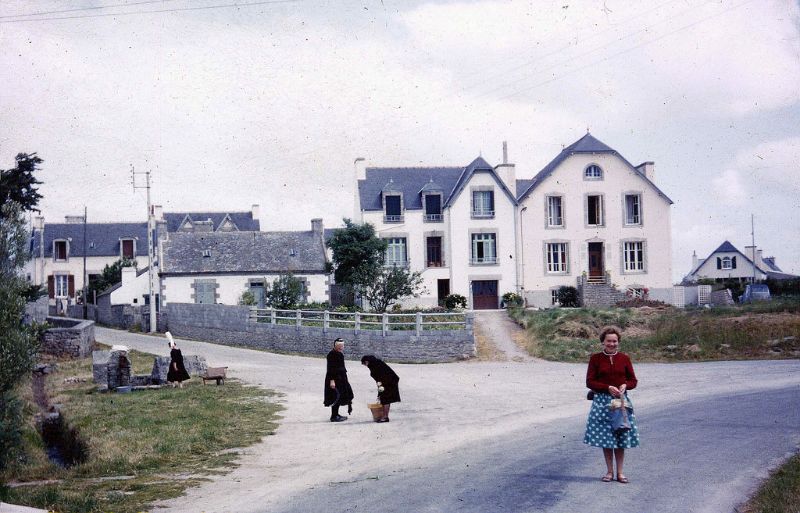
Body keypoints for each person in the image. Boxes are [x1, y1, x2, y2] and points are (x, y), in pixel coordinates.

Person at [584, 326, 640, 484]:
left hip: (621, 403)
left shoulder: (624, 358)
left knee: (621, 435)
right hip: (602, 402)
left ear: (618, 342)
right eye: (609, 341)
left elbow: (633, 381)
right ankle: (609, 472)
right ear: (603, 342)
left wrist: (625, 385)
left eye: (615, 341)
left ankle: (620, 473)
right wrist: (607, 387)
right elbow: (590, 381)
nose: (612, 344)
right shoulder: (595, 359)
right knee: (606, 438)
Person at [360, 355, 400, 423]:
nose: (365, 366)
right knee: (385, 398)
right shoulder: (375, 363)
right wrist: (380, 392)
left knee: (386, 399)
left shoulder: (375, 365)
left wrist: (380, 391)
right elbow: (379, 379)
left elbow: (379, 379)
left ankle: (385, 417)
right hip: (388, 381)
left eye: (365, 364)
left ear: (367, 361)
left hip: (389, 382)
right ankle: (384, 416)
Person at [324, 338, 354, 422]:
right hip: (334, 378)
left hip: (341, 378)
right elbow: (330, 369)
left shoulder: (339, 354)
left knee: (342, 395)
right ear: (335, 345)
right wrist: (332, 380)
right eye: (339, 346)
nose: (341, 347)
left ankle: (336, 414)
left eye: (342, 346)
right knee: (336, 396)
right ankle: (334, 416)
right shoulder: (331, 354)